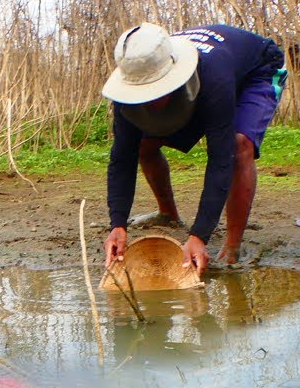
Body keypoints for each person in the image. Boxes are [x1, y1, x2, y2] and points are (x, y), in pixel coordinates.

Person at [102, 23, 288, 276]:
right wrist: (118, 224)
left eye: (155, 90)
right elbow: (122, 157)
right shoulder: (131, 82)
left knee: (239, 144)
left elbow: (221, 158)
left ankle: (232, 248)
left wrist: (199, 235)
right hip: (205, 80)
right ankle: (168, 214)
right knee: (144, 142)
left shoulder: (214, 76)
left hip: (256, 68)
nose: (150, 100)